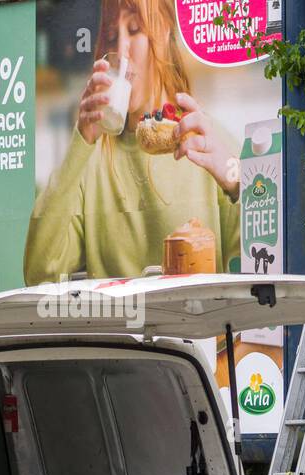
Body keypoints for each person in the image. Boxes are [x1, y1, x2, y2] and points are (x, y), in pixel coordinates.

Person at [23, 0, 241, 283]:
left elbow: (256, 269)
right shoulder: (91, 158)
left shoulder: (208, 143)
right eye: (112, 38)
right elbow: (40, 272)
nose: (122, 50)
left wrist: (237, 185)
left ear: (164, 34)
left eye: (135, 30)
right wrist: (81, 141)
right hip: (120, 327)